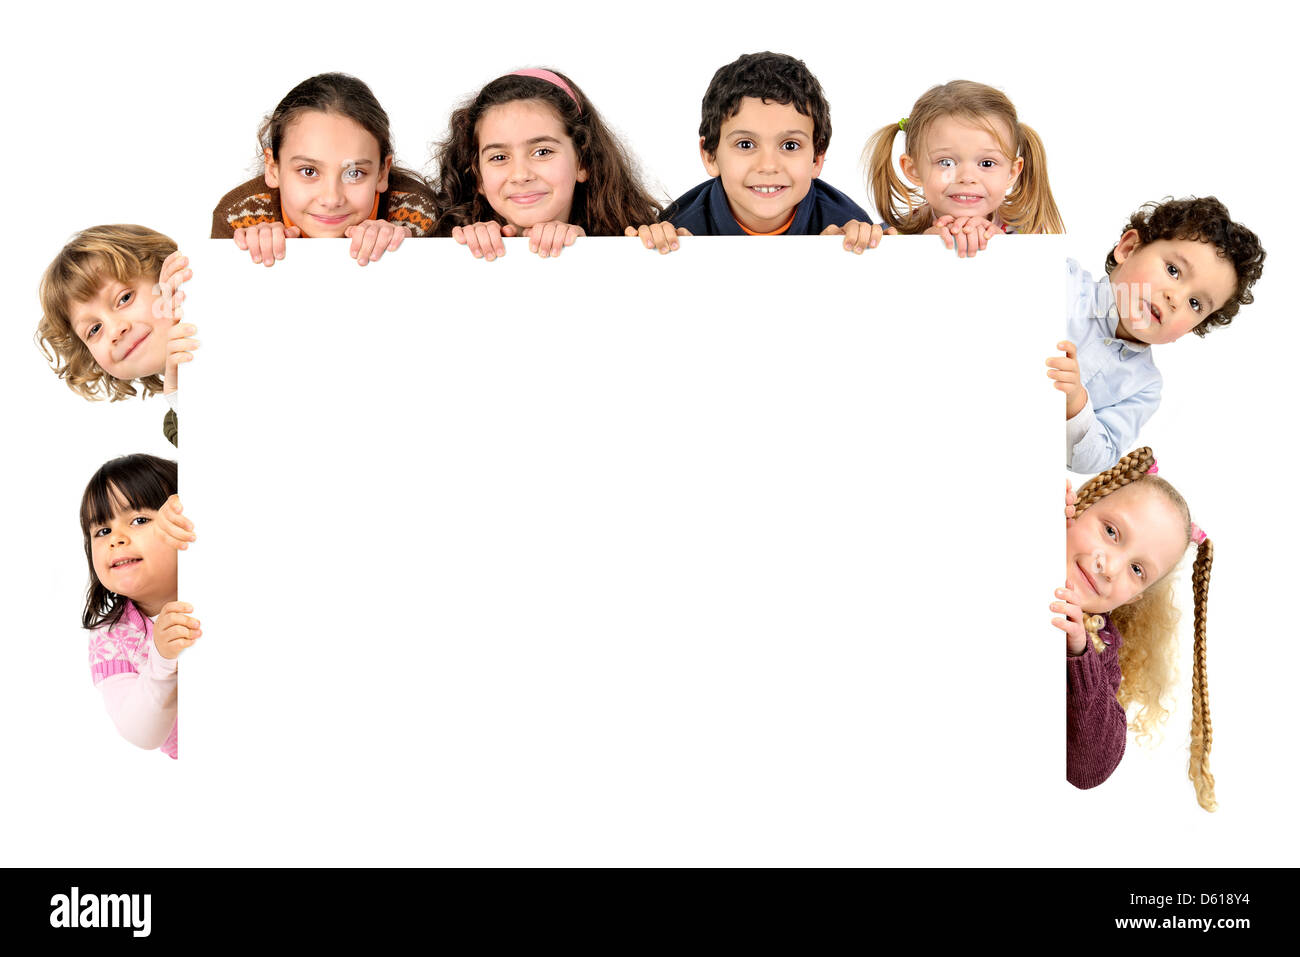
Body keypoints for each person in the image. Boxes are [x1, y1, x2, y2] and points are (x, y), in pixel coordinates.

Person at [1047, 197, 1264, 473]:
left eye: (1195, 304)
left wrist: (1075, 402)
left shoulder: (1144, 388)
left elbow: (1095, 460)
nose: (1175, 298)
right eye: (1173, 270)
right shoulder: (1060, 278)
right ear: (1128, 248)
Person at [1054, 448, 1215, 809]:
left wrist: (1080, 655)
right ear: (1081, 504)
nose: (1109, 568)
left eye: (1137, 570)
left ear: (1133, 599)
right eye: (1111, 531)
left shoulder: (1098, 647)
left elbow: (1089, 769)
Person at [639, 51, 878, 254]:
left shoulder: (847, 226)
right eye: (745, 144)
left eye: (790, 145)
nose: (768, 165)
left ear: (817, 158)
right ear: (710, 156)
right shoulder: (678, 230)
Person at [432, 68, 661, 260]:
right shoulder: (447, 245)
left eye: (542, 152)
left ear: (582, 162)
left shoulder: (635, 243)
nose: (521, 175)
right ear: (477, 175)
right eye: (499, 157)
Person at [212, 72, 438, 266]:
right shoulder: (237, 217)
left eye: (354, 173)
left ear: (382, 172)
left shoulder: (417, 213)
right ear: (272, 168)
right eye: (308, 171)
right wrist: (249, 260)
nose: (331, 199)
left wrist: (407, 251)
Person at [80, 454, 198, 759]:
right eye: (102, 531)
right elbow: (142, 734)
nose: (116, 539)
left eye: (139, 520)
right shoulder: (112, 637)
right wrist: (162, 661)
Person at [859, 80, 1062, 257]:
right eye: (946, 162)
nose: (967, 178)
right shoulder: (890, 239)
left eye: (987, 163)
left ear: (1012, 173)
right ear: (913, 170)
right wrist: (919, 250)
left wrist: (1005, 253)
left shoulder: (1031, 237)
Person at [36, 224, 195, 445]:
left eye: (124, 298)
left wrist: (257, 233)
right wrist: (181, 397)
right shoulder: (177, 424)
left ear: (166, 276)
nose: (115, 330)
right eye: (94, 329)